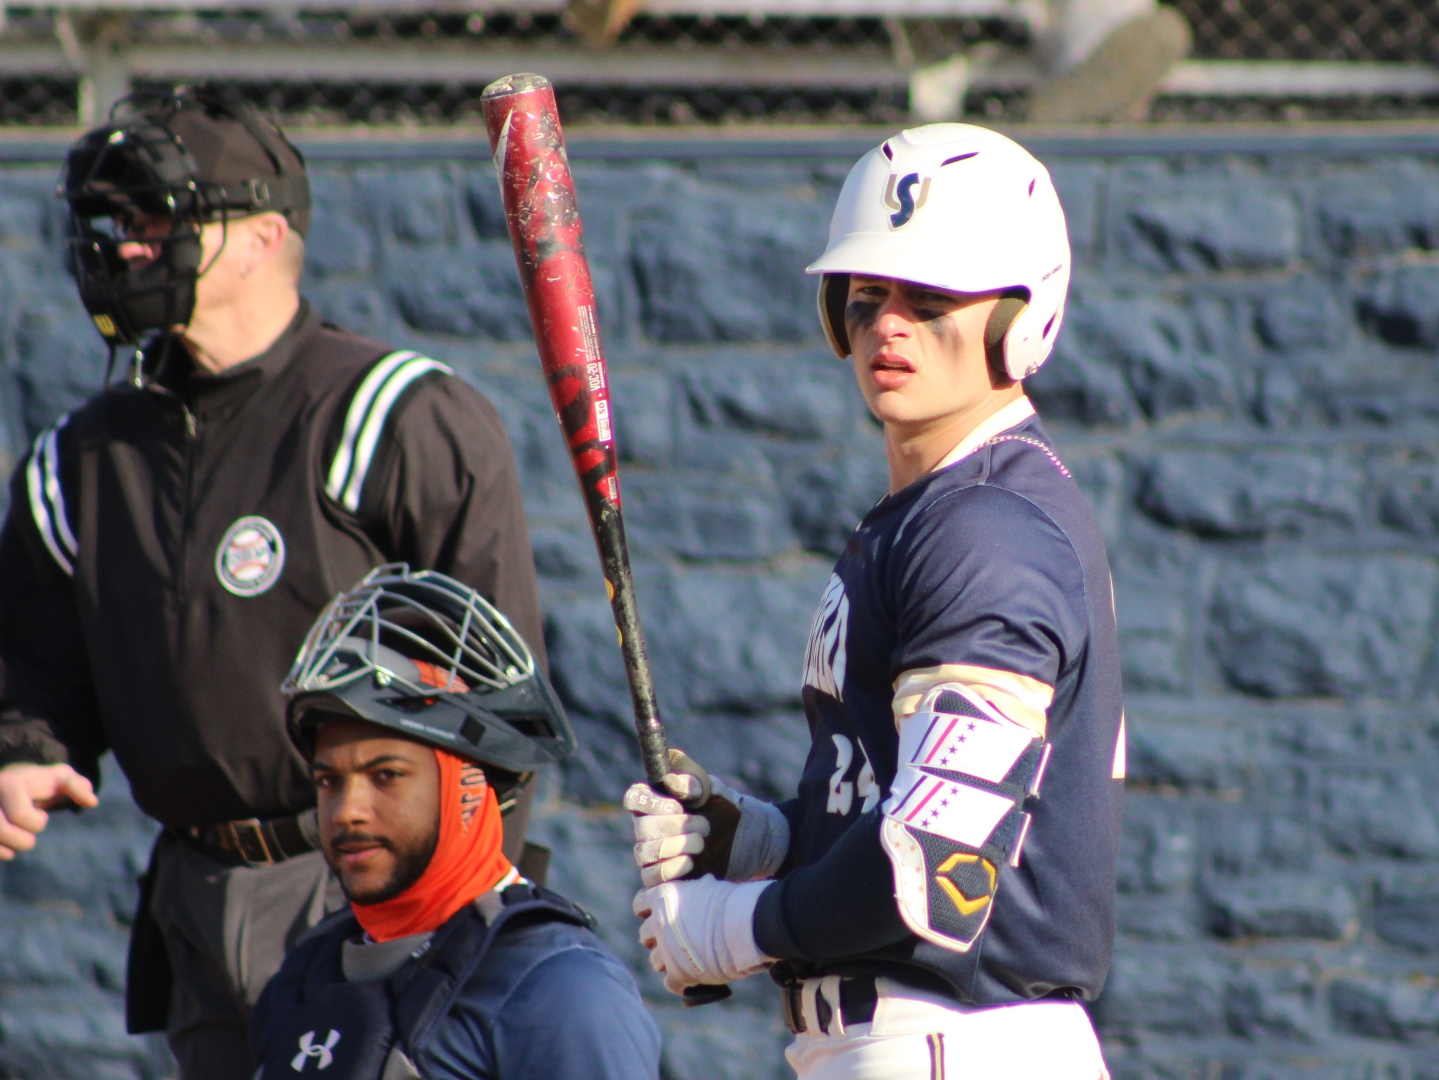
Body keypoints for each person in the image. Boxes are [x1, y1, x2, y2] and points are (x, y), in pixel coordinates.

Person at [0, 87, 546, 1079]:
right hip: (194, 902)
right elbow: (33, 666)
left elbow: (498, 697)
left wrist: (458, 908)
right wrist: (23, 749)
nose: (126, 246)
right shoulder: (78, 459)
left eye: (157, 219)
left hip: (369, 883)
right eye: (116, 222)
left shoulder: (396, 418)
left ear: (261, 235)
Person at [624, 123, 1124, 1078]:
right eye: (866, 295)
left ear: (1020, 317)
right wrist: (766, 840)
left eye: (932, 295)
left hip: (960, 1047)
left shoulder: (985, 526)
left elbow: (937, 864)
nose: (889, 323)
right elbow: (907, 795)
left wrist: (736, 927)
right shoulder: (934, 512)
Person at [253, 565, 659, 1080]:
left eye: (386, 776)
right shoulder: (304, 973)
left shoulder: (562, 990)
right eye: (329, 780)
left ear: (467, 786)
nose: (347, 810)